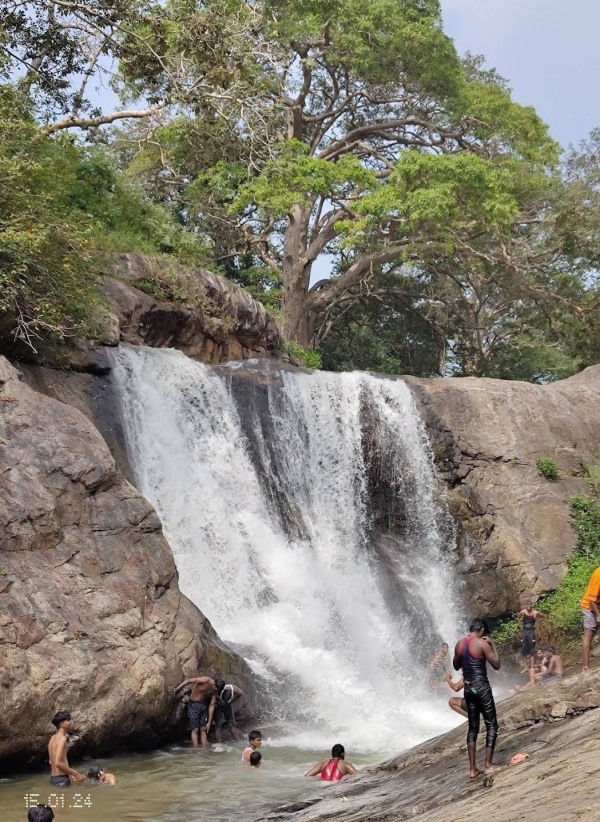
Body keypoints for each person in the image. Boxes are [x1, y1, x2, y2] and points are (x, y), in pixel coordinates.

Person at [453, 618, 501, 779]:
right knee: (491, 725)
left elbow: (456, 666)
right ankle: (488, 766)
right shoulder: (482, 644)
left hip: (468, 688)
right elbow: (496, 664)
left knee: (473, 729)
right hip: (481, 687)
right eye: (485, 633)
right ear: (481, 630)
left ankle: (472, 769)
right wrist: (492, 644)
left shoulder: (460, 643)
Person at [170, 675, 217, 749]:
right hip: (193, 705)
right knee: (195, 729)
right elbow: (189, 680)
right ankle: (196, 750)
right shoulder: (206, 680)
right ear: (213, 684)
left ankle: (205, 750)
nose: (215, 690)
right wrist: (177, 689)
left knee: (203, 728)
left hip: (203, 705)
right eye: (215, 688)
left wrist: (209, 722)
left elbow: (212, 705)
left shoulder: (216, 690)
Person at [48, 712, 85, 786]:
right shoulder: (62, 739)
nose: (70, 722)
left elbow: (50, 761)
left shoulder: (52, 738)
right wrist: (75, 773)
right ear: (62, 724)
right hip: (62, 779)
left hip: (53, 779)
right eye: (68, 720)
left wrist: (69, 770)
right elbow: (57, 763)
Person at [581, 566, 600, 671]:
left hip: (598, 605)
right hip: (589, 607)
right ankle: (586, 667)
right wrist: (598, 615)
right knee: (589, 634)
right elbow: (591, 600)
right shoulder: (599, 574)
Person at [517, 602, 544, 670]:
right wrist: (520, 626)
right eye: (527, 605)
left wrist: (537, 622)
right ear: (525, 606)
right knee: (524, 648)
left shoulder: (535, 612)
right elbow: (518, 617)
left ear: (532, 606)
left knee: (531, 648)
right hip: (524, 631)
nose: (528, 607)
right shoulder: (523, 612)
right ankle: (526, 667)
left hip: (531, 632)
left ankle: (532, 666)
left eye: (529, 605)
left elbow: (543, 616)